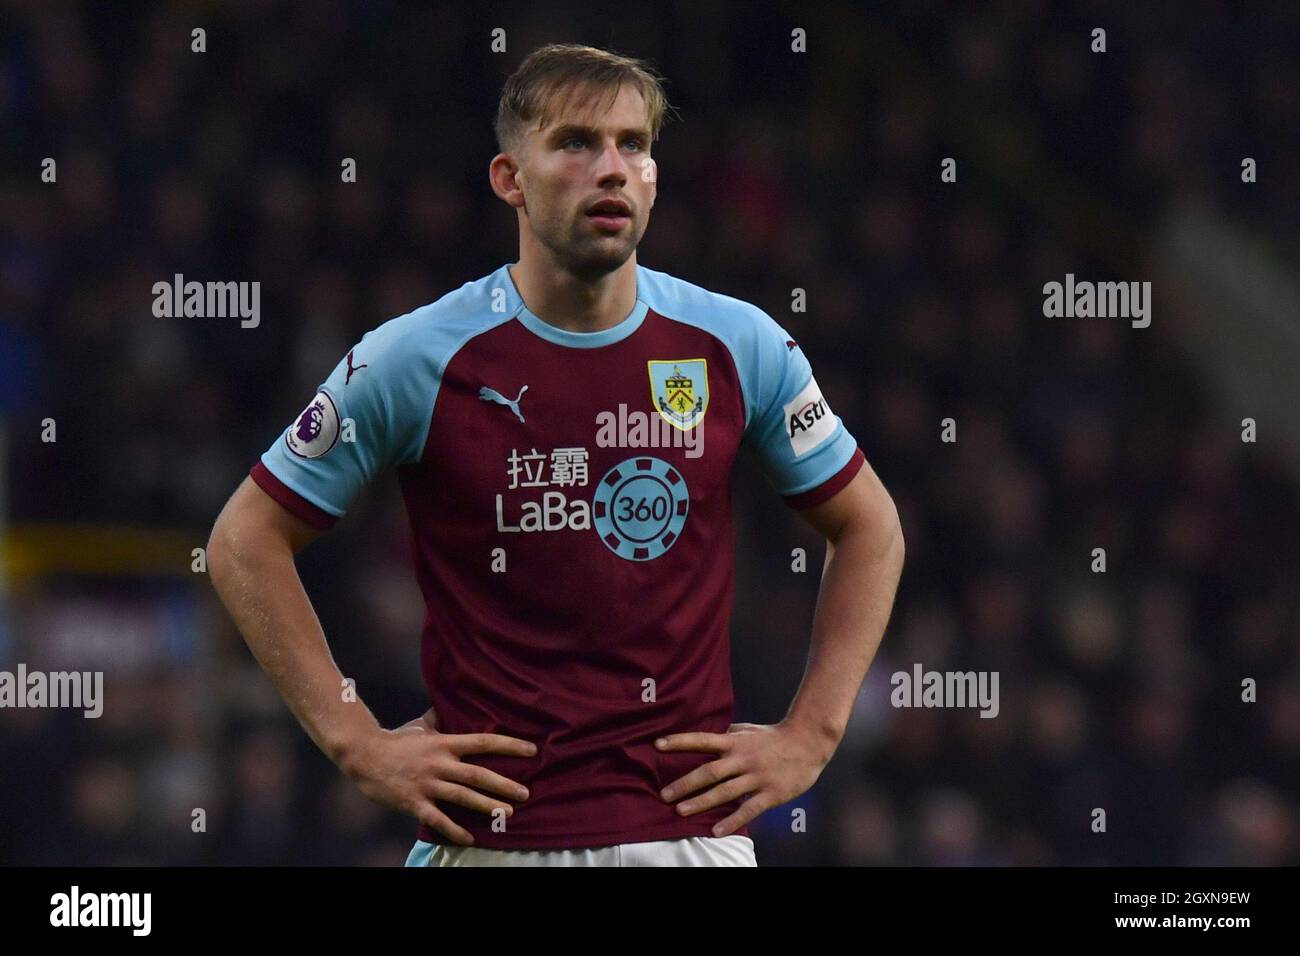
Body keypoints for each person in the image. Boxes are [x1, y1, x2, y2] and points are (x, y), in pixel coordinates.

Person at [207, 42, 905, 867]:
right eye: (576, 142)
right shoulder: (417, 357)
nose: (611, 168)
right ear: (510, 178)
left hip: (688, 839)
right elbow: (243, 540)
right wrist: (356, 742)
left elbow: (870, 526)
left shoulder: (737, 344)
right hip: (491, 841)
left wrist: (811, 735)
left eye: (633, 145)